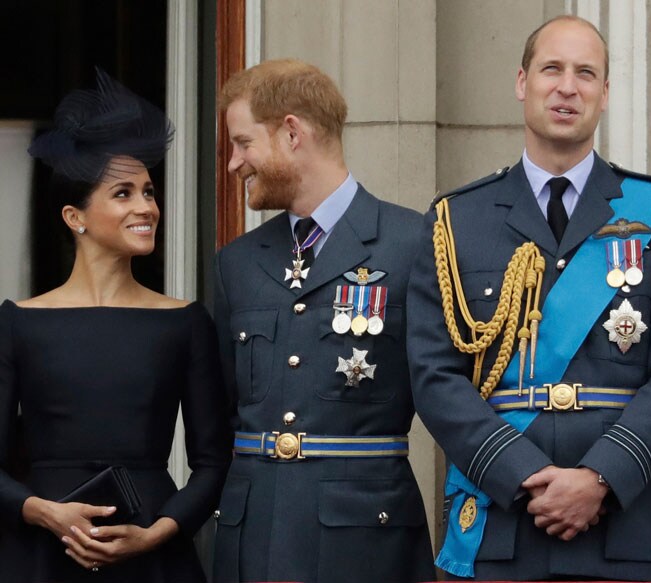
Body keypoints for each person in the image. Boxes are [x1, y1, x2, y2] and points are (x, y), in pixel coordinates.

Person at [407, 15, 651, 582]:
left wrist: (599, 478)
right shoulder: (456, 220)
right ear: (523, 82)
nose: (567, 87)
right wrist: (523, 474)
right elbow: (434, 374)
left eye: (586, 74)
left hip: (626, 526)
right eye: (552, 69)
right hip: (502, 522)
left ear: (605, 93)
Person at [0, 70, 231, 582]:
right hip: (41, 554)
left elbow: (215, 461)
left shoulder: (185, 322)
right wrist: (43, 511)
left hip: (154, 555)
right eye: (123, 194)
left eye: (148, 191)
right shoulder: (18, 322)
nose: (147, 206)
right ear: (74, 217)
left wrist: (160, 531)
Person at [212, 59, 434, 583]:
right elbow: (222, 416)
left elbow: (449, 393)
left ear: (291, 133)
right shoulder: (237, 263)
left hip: (364, 541)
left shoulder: (413, 243)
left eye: (243, 144)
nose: (233, 164)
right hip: (254, 535)